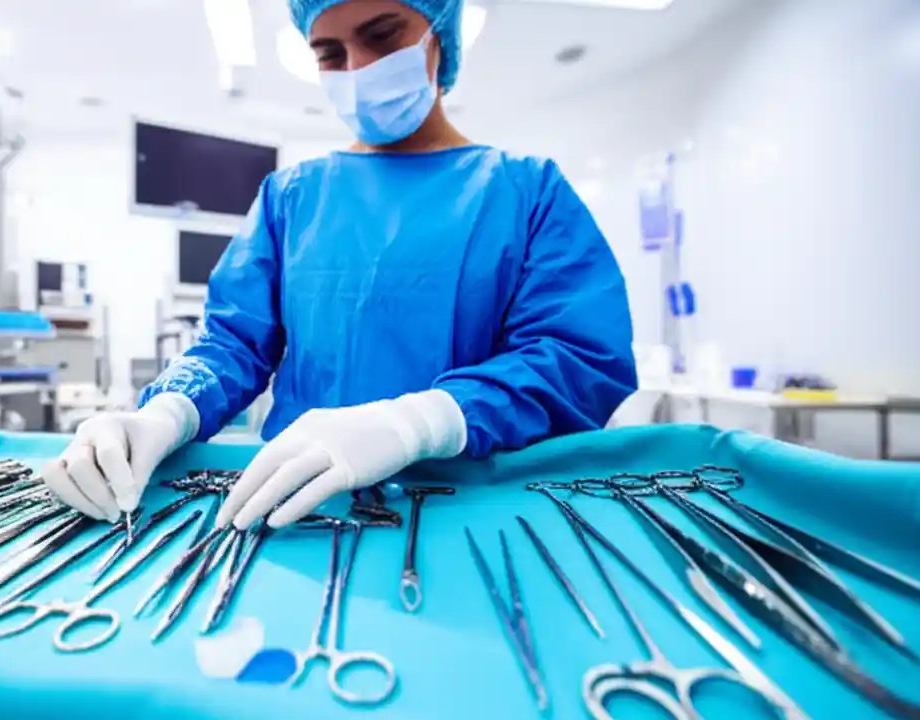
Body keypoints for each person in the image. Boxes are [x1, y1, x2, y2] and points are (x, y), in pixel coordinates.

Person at [43, 0, 637, 531]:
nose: (357, 69)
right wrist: (165, 413)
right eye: (329, 53)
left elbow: (578, 360)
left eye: (382, 35)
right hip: (298, 507)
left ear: (439, 35)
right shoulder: (291, 197)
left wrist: (421, 423)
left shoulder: (527, 193)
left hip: (468, 511)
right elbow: (232, 345)